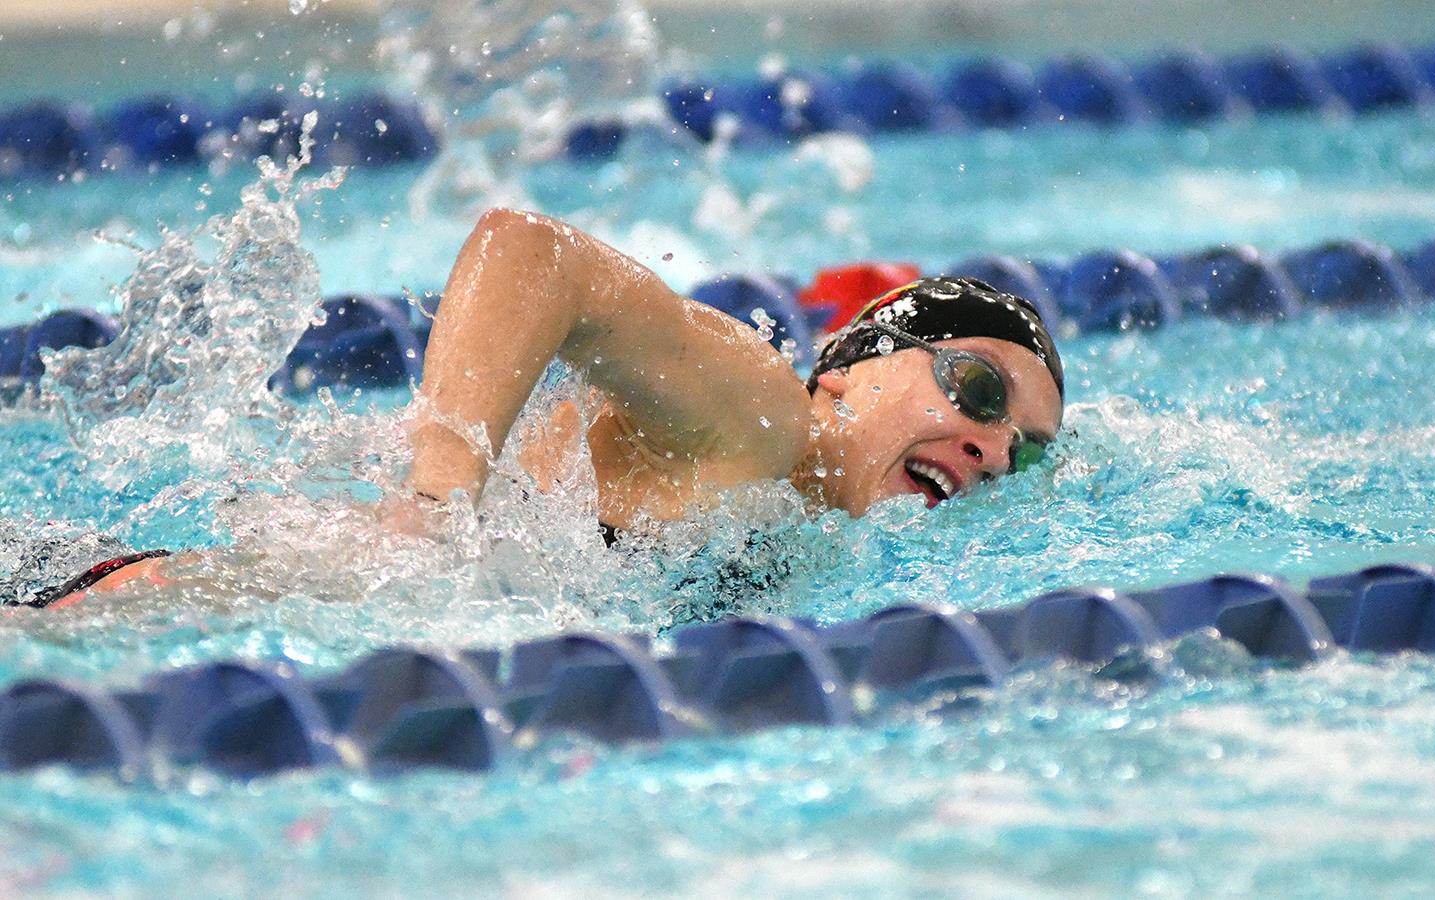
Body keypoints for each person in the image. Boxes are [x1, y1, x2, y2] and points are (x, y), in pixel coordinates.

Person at [12, 209, 1064, 608]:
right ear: (846, 367)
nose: (988, 441)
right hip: (115, 603)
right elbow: (529, 251)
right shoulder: (768, 418)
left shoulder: (801, 518)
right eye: (977, 388)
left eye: (1021, 448)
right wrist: (437, 503)